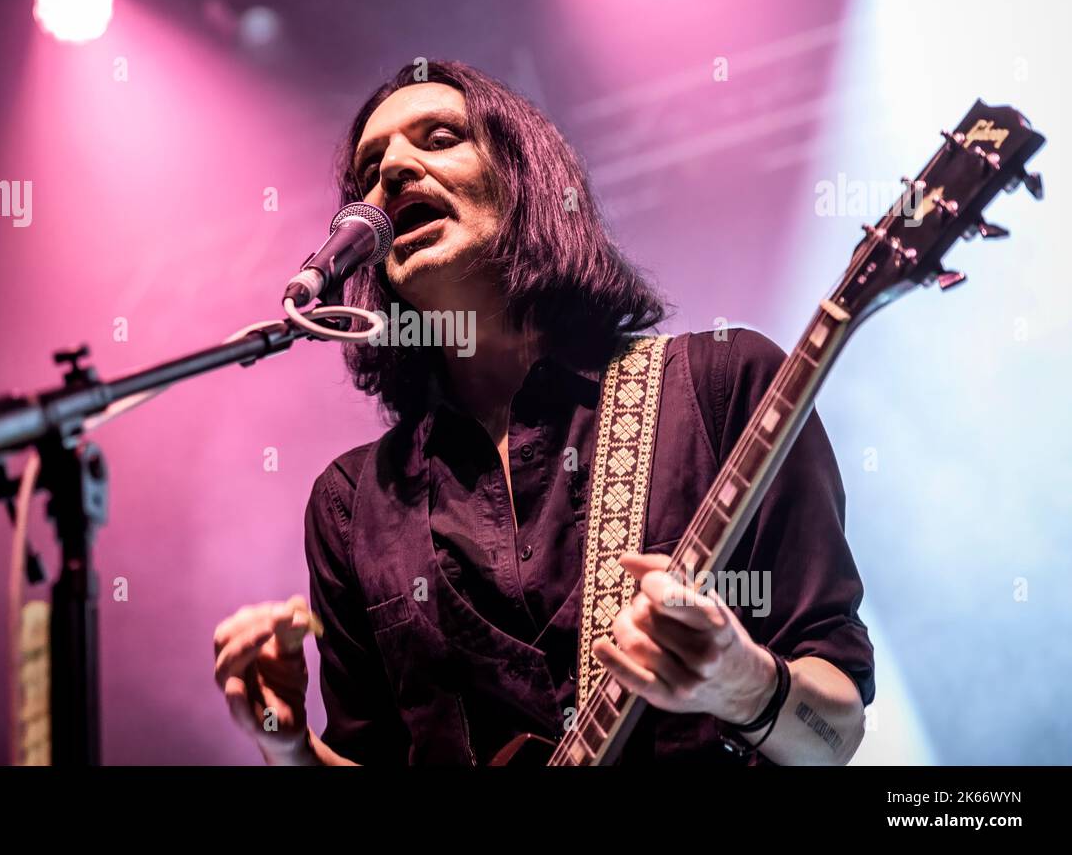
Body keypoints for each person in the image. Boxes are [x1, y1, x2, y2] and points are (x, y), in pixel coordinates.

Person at [213, 60, 874, 766]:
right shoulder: (353, 503)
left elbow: (835, 731)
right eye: (371, 168)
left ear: (527, 181)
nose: (394, 171)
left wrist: (743, 686)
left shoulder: (723, 383)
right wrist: (287, 750)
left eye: (437, 138)